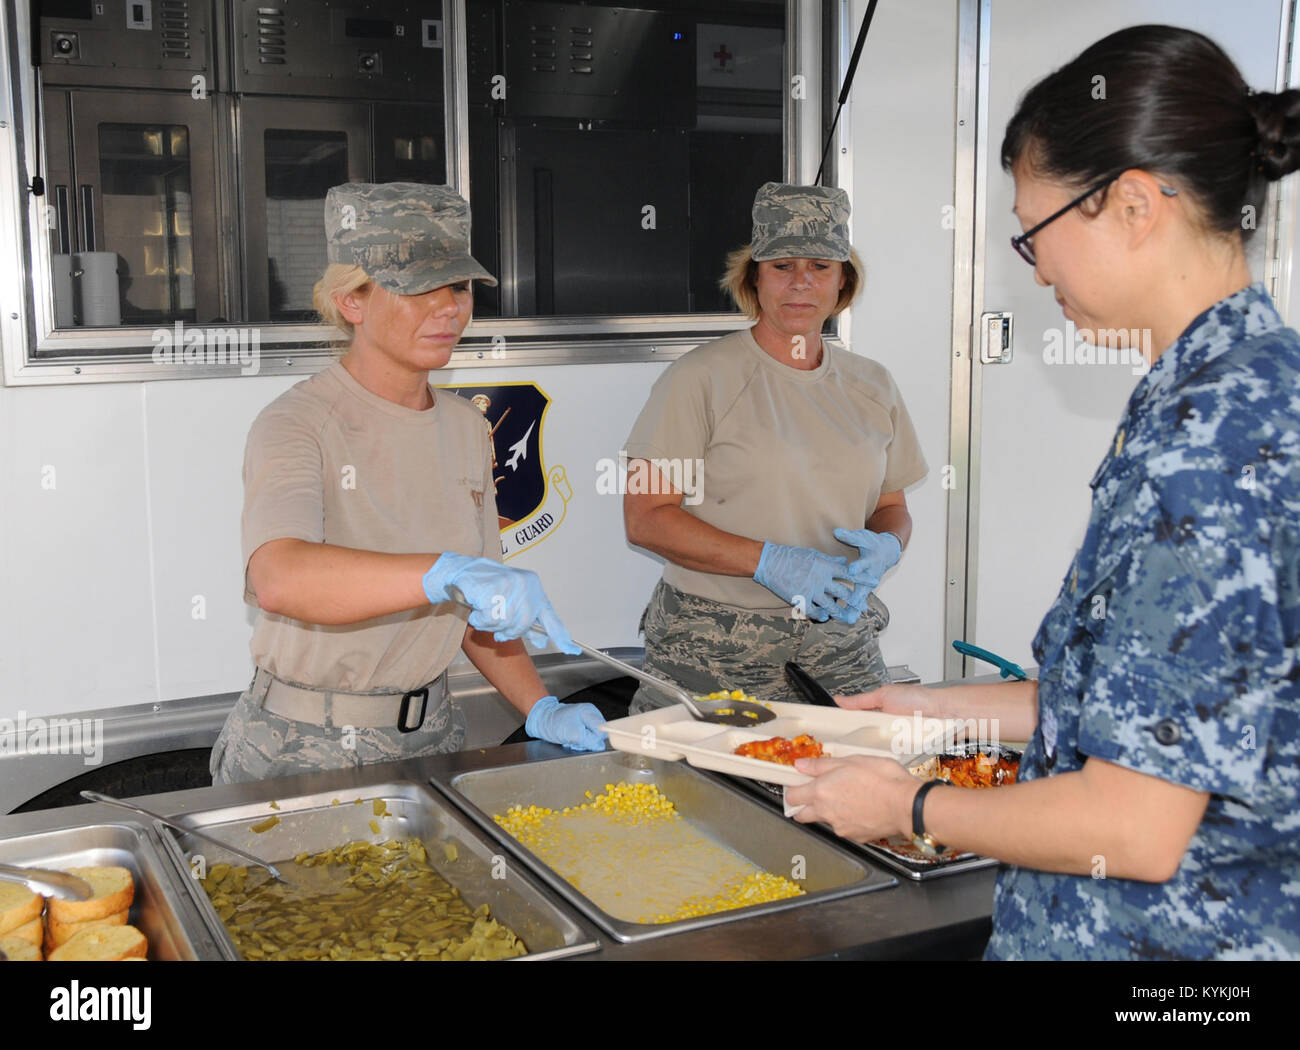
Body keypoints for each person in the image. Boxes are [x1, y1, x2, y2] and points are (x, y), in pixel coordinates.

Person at [786, 25, 1300, 960]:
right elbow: (1122, 712)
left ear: (1135, 205)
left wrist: (908, 802)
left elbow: (1134, 829)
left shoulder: (1214, 444)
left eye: (1036, 234)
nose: (1041, 270)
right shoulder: (1232, 390)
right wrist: (920, 712)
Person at [210, 182, 606, 785]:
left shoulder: (466, 426)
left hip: (434, 737)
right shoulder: (297, 422)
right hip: (302, 749)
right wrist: (443, 571)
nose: (448, 307)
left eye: (459, 286)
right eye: (419, 287)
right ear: (352, 302)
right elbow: (280, 578)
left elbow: (476, 610)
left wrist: (540, 707)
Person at [623, 183, 927, 711]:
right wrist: (769, 561)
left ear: (843, 282)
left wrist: (888, 546)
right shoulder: (697, 378)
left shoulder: (873, 384)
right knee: (703, 788)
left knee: (857, 778)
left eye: (821, 266)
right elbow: (646, 517)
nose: (801, 283)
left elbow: (891, 505)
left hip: (840, 640)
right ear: (754, 278)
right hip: (712, 646)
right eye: (782, 265)